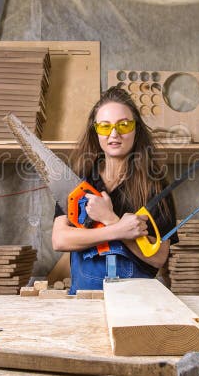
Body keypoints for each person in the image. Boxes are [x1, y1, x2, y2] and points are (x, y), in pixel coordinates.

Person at [51, 87, 178, 294]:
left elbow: (158, 257)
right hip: (85, 301)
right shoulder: (79, 182)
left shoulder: (154, 184)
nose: (114, 134)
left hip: (137, 302)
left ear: (136, 129)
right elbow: (60, 239)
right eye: (104, 126)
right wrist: (117, 229)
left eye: (124, 125)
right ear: (96, 131)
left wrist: (110, 218)